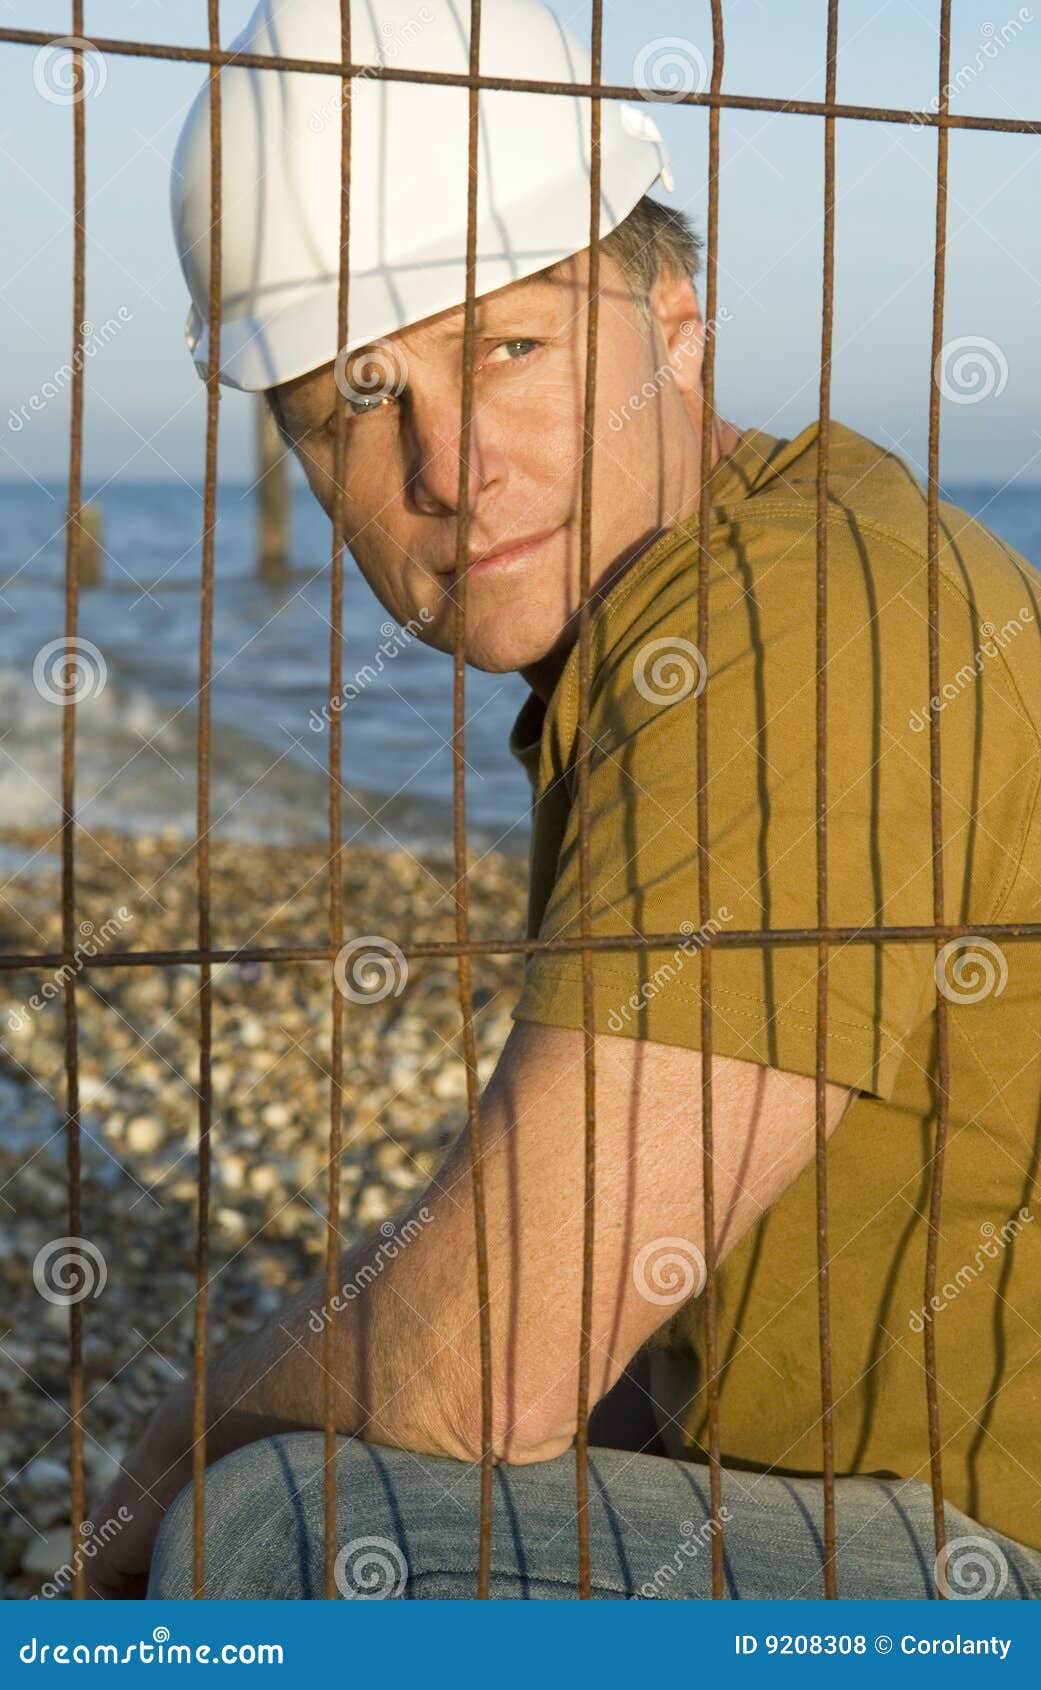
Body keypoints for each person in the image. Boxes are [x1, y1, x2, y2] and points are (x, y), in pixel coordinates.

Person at [88, 0, 1041, 1600]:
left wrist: (190, 1427)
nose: (448, 464)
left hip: (997, 1568)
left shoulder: (794, 618)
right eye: (355, 401)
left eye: (510, 345)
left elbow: (498, 1361)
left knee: (282, 1534)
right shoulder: (704, 605)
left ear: (672, 324)